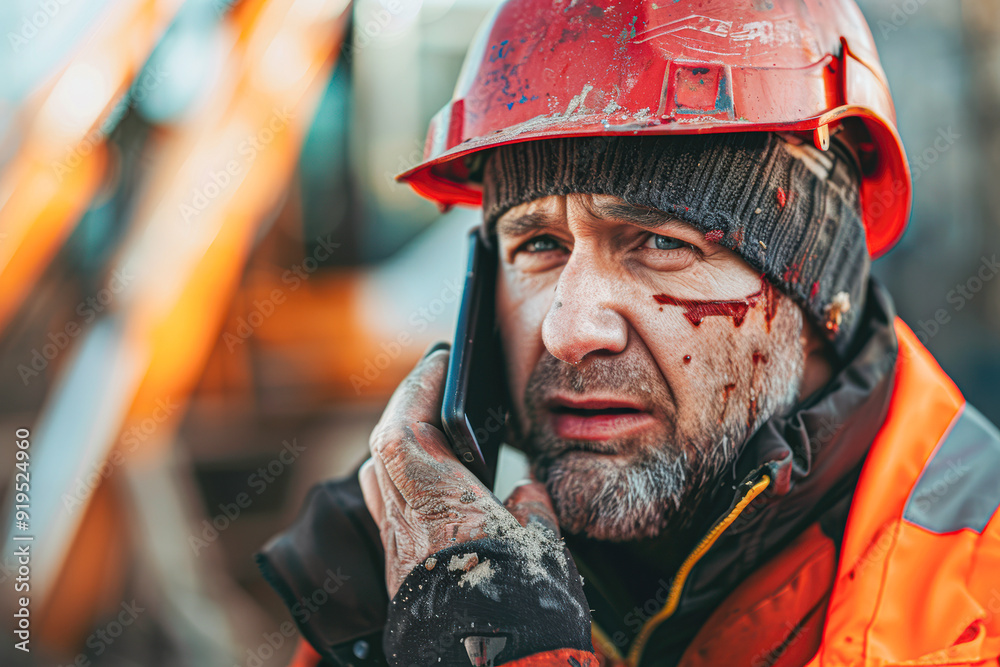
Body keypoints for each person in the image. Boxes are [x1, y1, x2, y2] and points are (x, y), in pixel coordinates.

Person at [257, 1, 1000, 665]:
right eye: (538, 245)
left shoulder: (974, 607)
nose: (570, 330)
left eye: (658, 241)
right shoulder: (424, 567)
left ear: (813, 294)